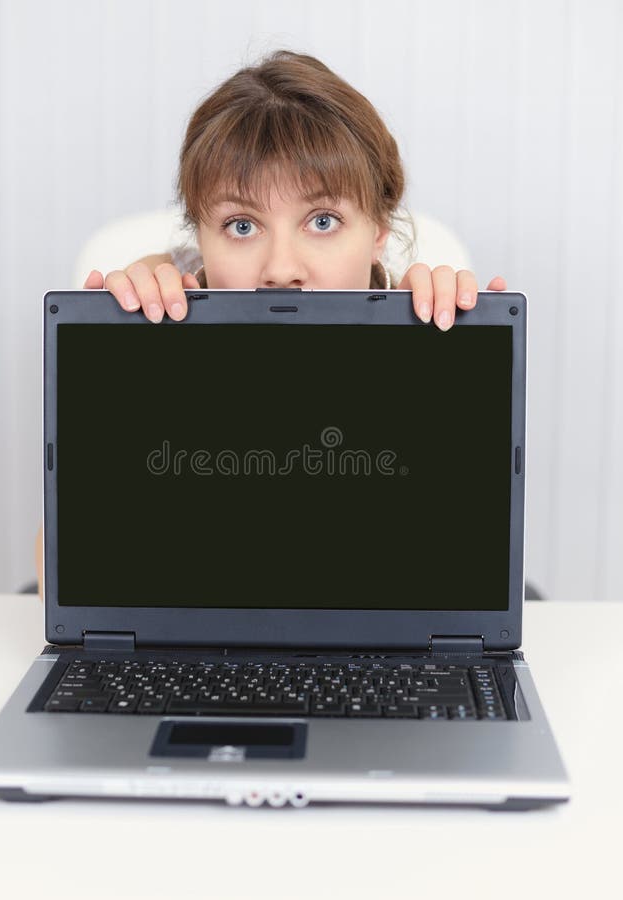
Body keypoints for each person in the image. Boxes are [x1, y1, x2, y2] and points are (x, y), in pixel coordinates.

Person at [34, 49, 507, 599]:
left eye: (323, 220)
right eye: (241, 225)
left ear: (380, 228)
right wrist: (115, 379)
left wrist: (449, 373)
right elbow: (64, 592)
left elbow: (453, 590)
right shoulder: (159, 327)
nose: (282, 269)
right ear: (199, 238)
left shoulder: (422, 329)